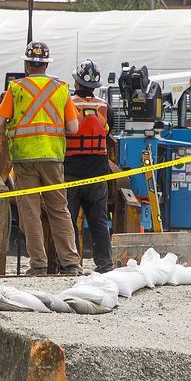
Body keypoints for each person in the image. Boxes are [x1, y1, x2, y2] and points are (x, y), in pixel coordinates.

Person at [0, 41, 85, 275]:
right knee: (59, 210)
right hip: (52, 157)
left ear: (26, 64)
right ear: (45, 65)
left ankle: (38, 265)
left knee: (30, 213)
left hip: (24, 159)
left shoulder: (16, 88)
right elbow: (73, 128)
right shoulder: (61, 89)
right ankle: (71, 263)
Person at [64, 59, 113, 273]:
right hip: (98, 173)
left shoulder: (69, 104)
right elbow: (108, 133)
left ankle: (71, 264)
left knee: (68, 220)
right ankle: (105, 265)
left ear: (76, 83)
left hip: (71, 171)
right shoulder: (104, 107)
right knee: (99, 222)